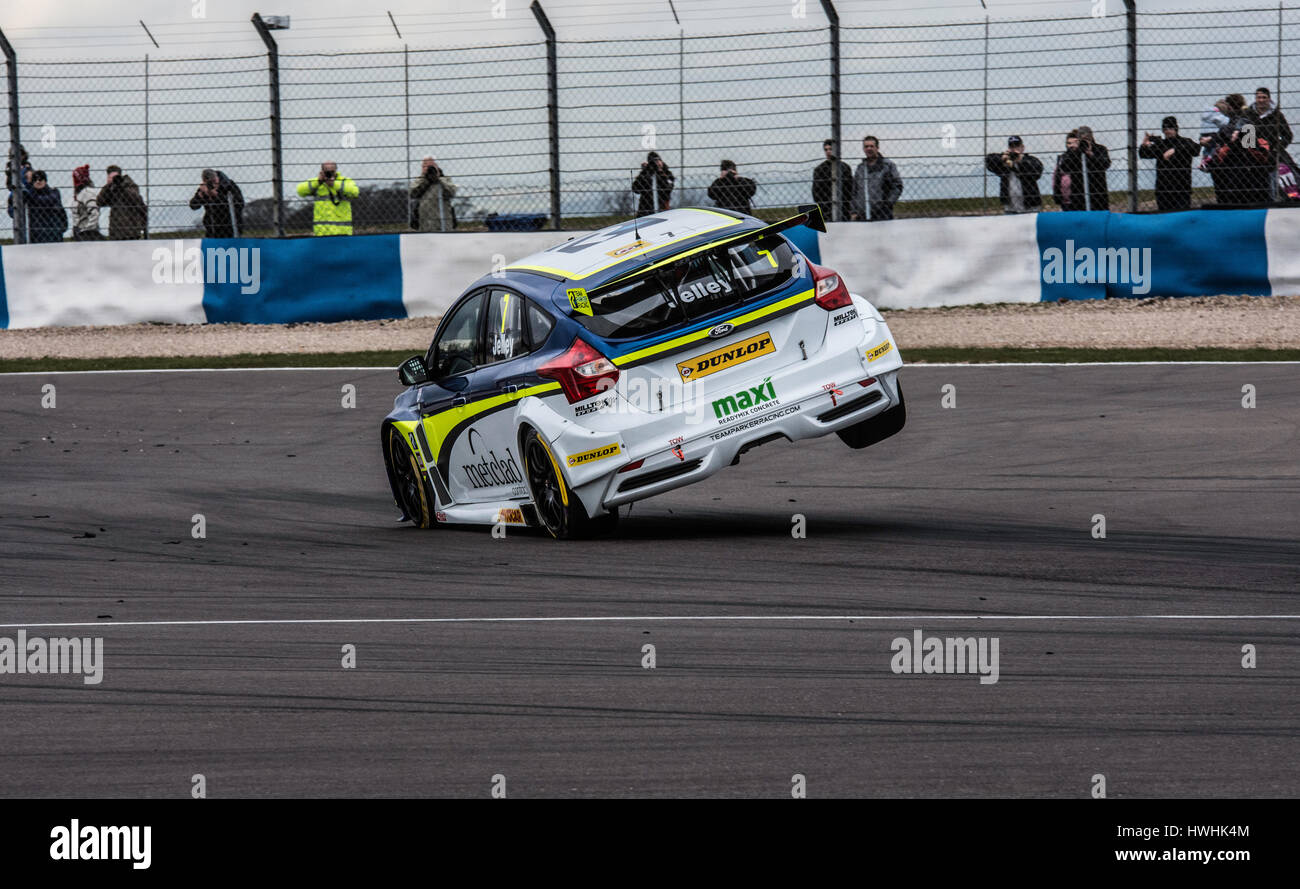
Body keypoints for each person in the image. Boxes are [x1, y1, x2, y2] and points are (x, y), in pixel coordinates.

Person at [1139, 117, 1201, 211]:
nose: (1168, 131)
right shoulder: (1161, 144)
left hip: (1182, 188)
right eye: (1165, 129)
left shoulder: (1185, 142)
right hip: (1163, 189)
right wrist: (1144, 145)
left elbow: (1196, 149)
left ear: (1176, 129)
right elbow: (1144, 154)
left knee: (1181, 215)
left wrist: (1175, 150)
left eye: (1170, 128)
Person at [1243, 86, 1292, 204]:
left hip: (1271, 155)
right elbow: (1243, 134)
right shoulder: (1248, 114)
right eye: (1258, 97)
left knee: (1273, 184)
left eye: (1264, 97)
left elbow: (1288, 135)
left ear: (1269, 99)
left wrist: (1277, 149)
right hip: (1252, 155)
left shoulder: (1276, 115)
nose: (1261, 100)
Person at [1052, 128, 1111, 211]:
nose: (1085, 142)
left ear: (1091, 137)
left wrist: (1091, 154)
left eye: (1087, 139)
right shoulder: (1073, 152)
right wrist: (1075, 151)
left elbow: (1106, 164)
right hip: (1078, 194)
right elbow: (1065, 167)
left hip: (1098, 192)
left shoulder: (1100, 149)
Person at [296, 161, 359, 236]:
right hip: (321, 232)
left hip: (342, 231)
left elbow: (355, 192)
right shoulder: (316, 182)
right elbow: (300, 191)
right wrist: (318, 182)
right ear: (322, 171)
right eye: (327, 171)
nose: (329, 173)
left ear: (336, 170)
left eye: (332, 171)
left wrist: (333, 184)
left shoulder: (345, 181)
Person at [984, 136, 1043, 214]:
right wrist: (1002, 158)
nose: (1014, 149)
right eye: (1012, 147)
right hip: (1010, 208)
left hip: (1031, 207)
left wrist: (1020, 160)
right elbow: (989, 160)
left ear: (1022, 147)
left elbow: (1037, 171)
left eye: (1017, 146)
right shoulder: (1004, 163)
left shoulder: (1030, 160)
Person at [851, 136, 903, 221]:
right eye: (866, 146)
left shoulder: (887, 166)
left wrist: (888, 204)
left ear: (877, 148)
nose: (869, 149)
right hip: (862, 215)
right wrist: (854, 211)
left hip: (882, 215)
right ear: (863, 149)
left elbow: (897, 186)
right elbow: (854, 191)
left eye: (872, 146)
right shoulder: (860, 168)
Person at [9, 169, 68, 243]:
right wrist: (25, 183)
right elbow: (13, 204)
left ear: (45, 181)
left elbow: (48, 202)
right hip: (37, 235)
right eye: (35, 179)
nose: (38, 181)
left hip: (53, 234)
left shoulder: (53, 193)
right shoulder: (28, 194)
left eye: (40, 179)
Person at [189, 168, 245, 237]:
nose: (212, 184)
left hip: (231, 227)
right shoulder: (205, 189)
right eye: (209, 182)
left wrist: (217, 196)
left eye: (214, 181)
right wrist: (199, 196)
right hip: (212, 228)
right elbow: (193, 206)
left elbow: (239, 204)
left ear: (217, 178)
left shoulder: (229, 185)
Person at [96, 165, 148, 239]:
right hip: (115, 231)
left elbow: (135, 199)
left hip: (131, 231)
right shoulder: (111, 189)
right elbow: (99, 202)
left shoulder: (130, 184)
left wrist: (121, 186)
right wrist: (107, 186)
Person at [410, 156, 458, 232]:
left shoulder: (445, 179)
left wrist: (438, 178)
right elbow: (412, 193)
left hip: (443, 223)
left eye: (430, 166)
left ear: (436, 166)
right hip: (424, 224)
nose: (428, 168)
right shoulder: (419, 180)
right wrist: (425, 180)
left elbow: (452, 192)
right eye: (424, 166)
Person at [811, 139, 852, 221]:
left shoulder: (845, 168)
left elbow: (850, 189)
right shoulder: (819, 169)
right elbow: (816, 192)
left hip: (844, 209)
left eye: (831, 149)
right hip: (825, 209)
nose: (828, 152)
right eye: (826, 150)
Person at [632, 151, 674, 217]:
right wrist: (645, 172)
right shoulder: (647, 174)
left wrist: (660, 173)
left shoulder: (667, 173)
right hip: (646, 210)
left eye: (659, 160)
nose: (657, 163)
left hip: (662, 210)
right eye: (654, 161)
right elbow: (636, 189)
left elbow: (667, 190)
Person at [71, 165, 103, 240]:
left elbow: (94, 213)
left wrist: (87, 231)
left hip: (87, 234)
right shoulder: (79, 194)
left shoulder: (88, 192)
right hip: (79, 232)